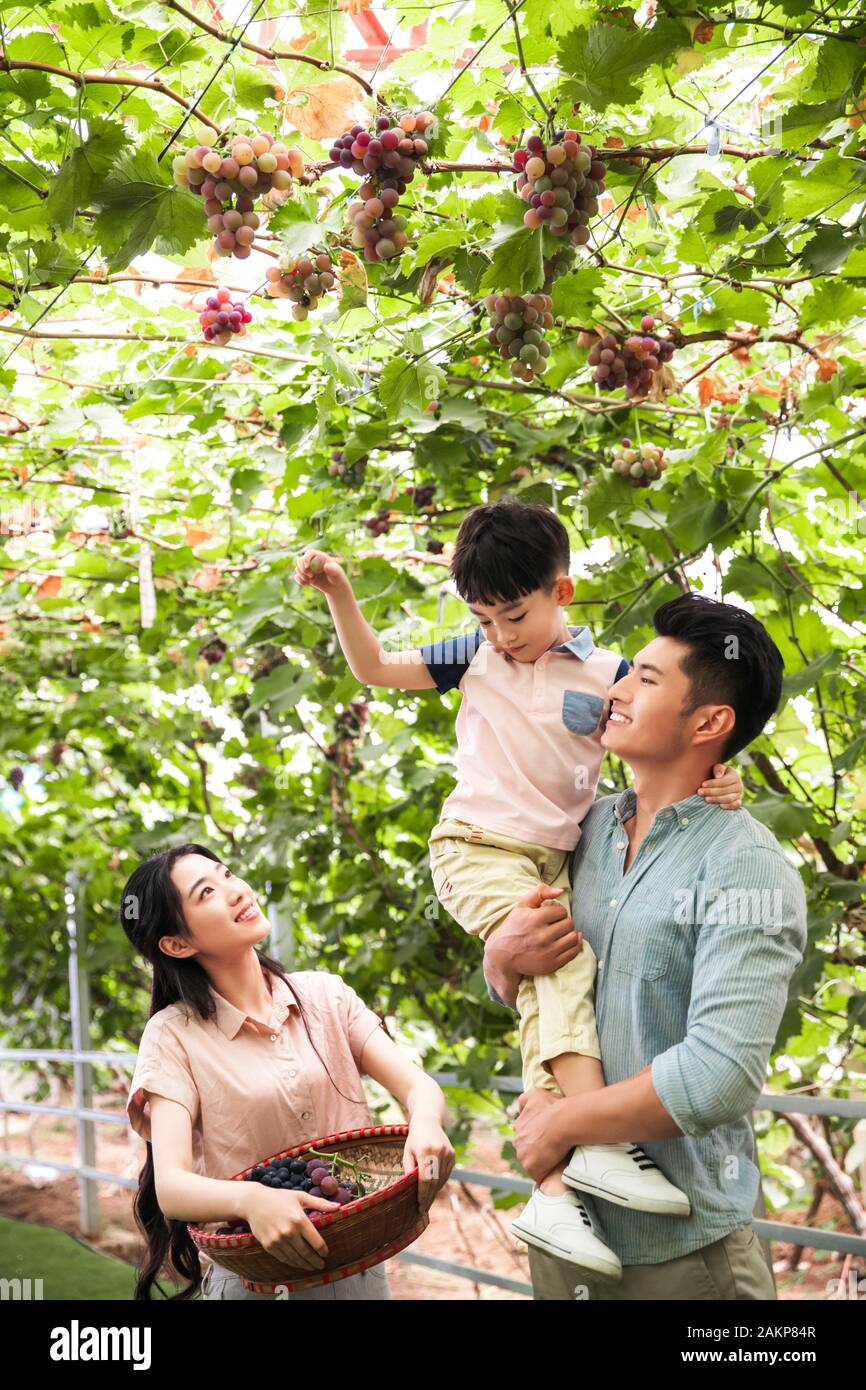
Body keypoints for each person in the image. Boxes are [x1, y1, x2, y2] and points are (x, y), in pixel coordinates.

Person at [294, 500, 743, 1277]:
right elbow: (372, 668)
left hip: (547, 861)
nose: (502, 635)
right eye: (484, 617)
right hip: (474, 846)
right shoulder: (473, 657)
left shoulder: (608, 677)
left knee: (552, 990)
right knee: (562, 964)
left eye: (513, 615)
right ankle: (594, 1139)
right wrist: (338, 591)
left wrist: (718, 775)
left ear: (561, 593)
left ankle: (555, 1190)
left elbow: (673, 734)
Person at [483, 591, 808, 1300]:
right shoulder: (581, 829)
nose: (618, 689)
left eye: (648, 680)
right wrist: (501, 959)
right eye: (627, 671)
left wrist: (560, 1123)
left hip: (684, 1258)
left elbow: (718, 1073)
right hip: (567, 1235)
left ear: (711, 722)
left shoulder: (745, 866)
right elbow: (533, 983)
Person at [121, 842, 454, 1300]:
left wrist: (427, 1121)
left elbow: (417, 1086)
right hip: (254, 1281)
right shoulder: (172, 1035)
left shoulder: (325, 996)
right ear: (177, 943)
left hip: (358, 1270)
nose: (235, 890)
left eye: (228, 874)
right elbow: (172, 1188)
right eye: (207, 893)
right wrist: (250, 1199)